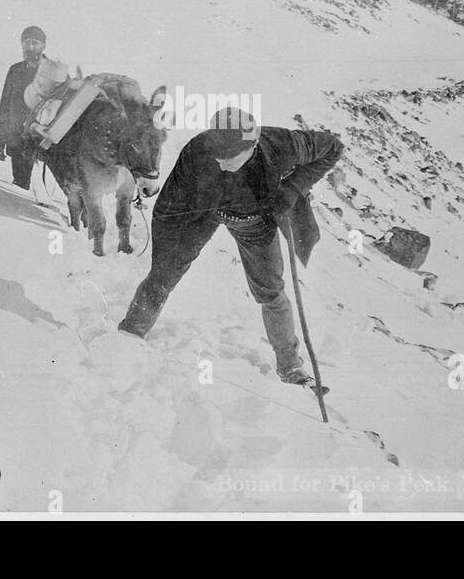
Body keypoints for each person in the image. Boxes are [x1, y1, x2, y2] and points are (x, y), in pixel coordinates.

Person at [118, 106, 343, 387]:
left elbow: (333, 148)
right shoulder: (198, 151)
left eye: (230, 158)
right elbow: (168, 211)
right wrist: (163, 263)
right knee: (163, 276)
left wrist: (293, 188)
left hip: (255, 220)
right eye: (218, 157)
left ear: (252, 146)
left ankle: (290, 368)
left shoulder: (283, 144)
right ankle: (129, 334)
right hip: (203, 212)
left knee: (270, 291)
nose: (222, 164)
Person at [0, 26, 48, 190]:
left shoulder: (54, 71)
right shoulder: (15, 70)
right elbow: (5, 106)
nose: (29, 47)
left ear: (43, 46)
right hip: (18, 138)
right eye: (25, 43)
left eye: (34, 43)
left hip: (46, 139)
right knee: (19, 187)